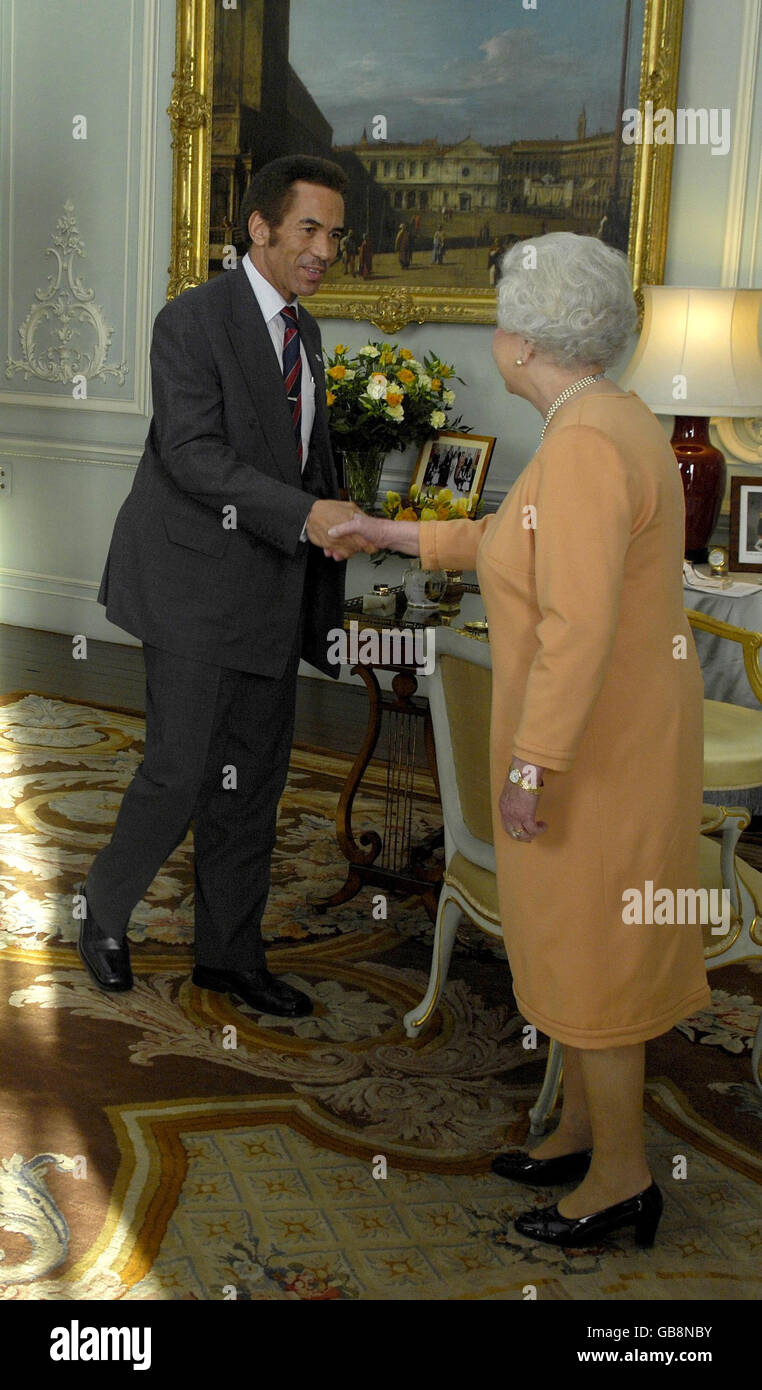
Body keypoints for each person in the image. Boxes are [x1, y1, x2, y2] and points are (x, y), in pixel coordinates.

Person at [328, 231, 711, 1250]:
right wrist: (393, 532)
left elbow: (578, 624)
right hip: (620, 739)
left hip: (596, 754)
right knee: (580, 948)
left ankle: (623, 1179)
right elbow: (515, 541)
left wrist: (534, 764)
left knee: (595, 962)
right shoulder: (612, 420)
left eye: (501, 318)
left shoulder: (585, 446)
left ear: (528, 343)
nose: (495, 335)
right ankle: (583, 1131)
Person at [78, 155, 374, 1021]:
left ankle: (229, 956)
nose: (324, 250)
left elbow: (302, 454)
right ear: (260, 227)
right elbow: (193, 454)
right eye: (309, 230)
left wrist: (337, 527)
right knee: (178, 771)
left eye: (335, 234)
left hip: (273, 588)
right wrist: (308, 513)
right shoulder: (190, 321)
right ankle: (100, 908)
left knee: (254, 778)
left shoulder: (305, 331)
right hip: (193, 588)